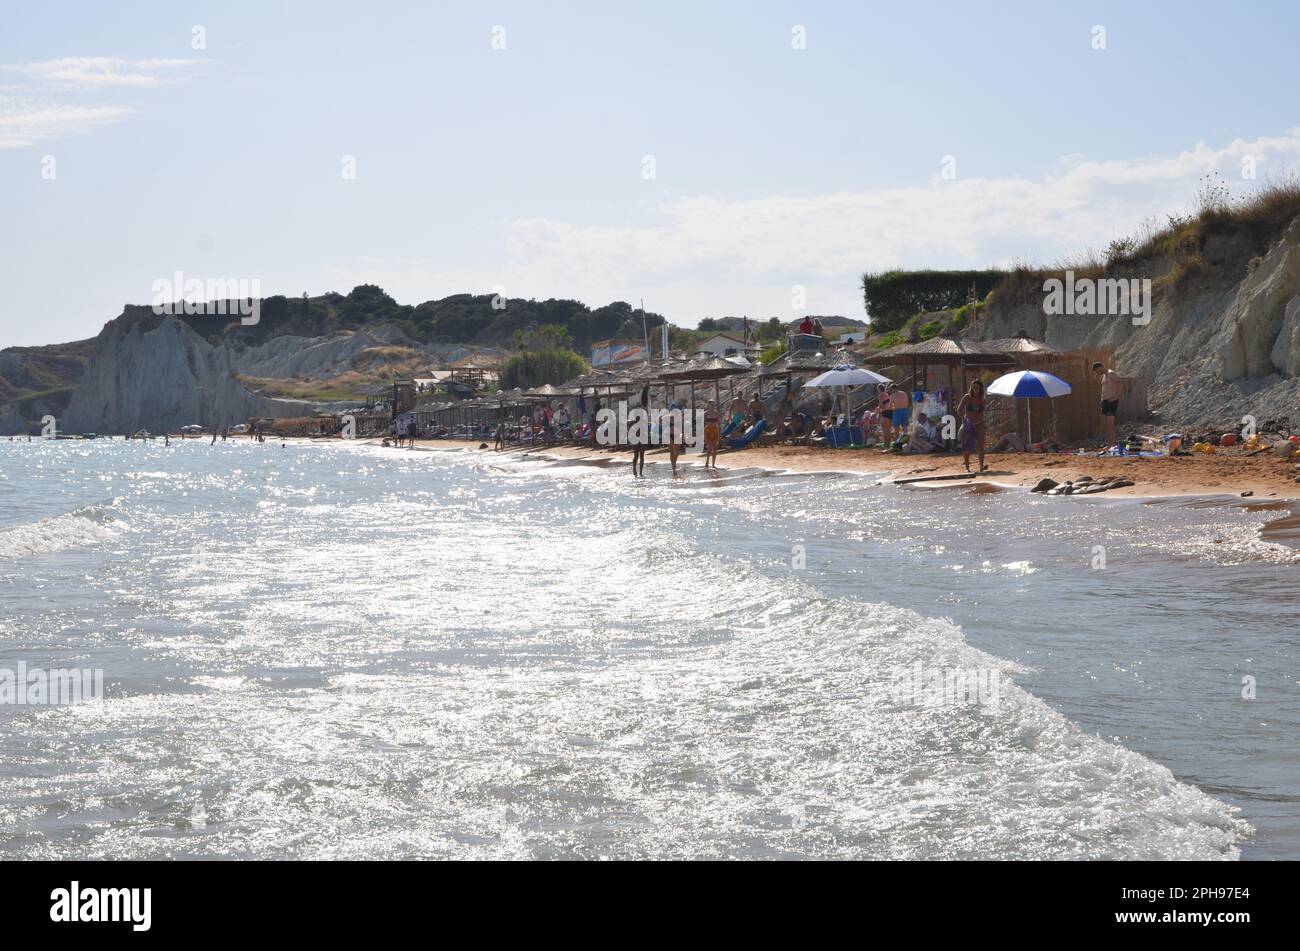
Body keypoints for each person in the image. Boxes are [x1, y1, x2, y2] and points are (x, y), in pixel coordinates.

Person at [956, 379, 988, 473]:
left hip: (980, 424)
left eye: (977, 387)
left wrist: (983, 422)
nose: (975, 389)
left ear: (980, 388)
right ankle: (967, 467)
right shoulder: (967, 397)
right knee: (967, 446)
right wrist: (964, 419)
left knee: (981, 445)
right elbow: (959, 409)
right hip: (969, 424)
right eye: (973, 387)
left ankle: (981, 466)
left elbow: (982, 412)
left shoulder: (983, 399)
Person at [1093, 362, 1122, 448]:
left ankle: (1113, 445)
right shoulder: (1104, 375)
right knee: (1107, 426)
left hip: (1111, 402)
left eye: (1096, 371)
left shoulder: (1110, 373)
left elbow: (1119, 384)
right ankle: (1110, 444)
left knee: (1111, 425)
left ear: (1099, 368)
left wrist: (1116, 396)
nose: (1096, 373)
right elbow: (1104, 388)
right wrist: (1102, 400)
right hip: (1105, 402)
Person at [703, 400, 721, 468]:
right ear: (708, 405)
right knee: (710, 447)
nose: (713, 406)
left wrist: (719, 433)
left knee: (715, 448)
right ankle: (707, 461)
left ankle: (713, 464)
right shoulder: (706, 413)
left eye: (714, 405)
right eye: (711, 405)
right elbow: (703, 423)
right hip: (708, 430)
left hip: (715, 430)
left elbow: (718, 423)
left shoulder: (716, 413)